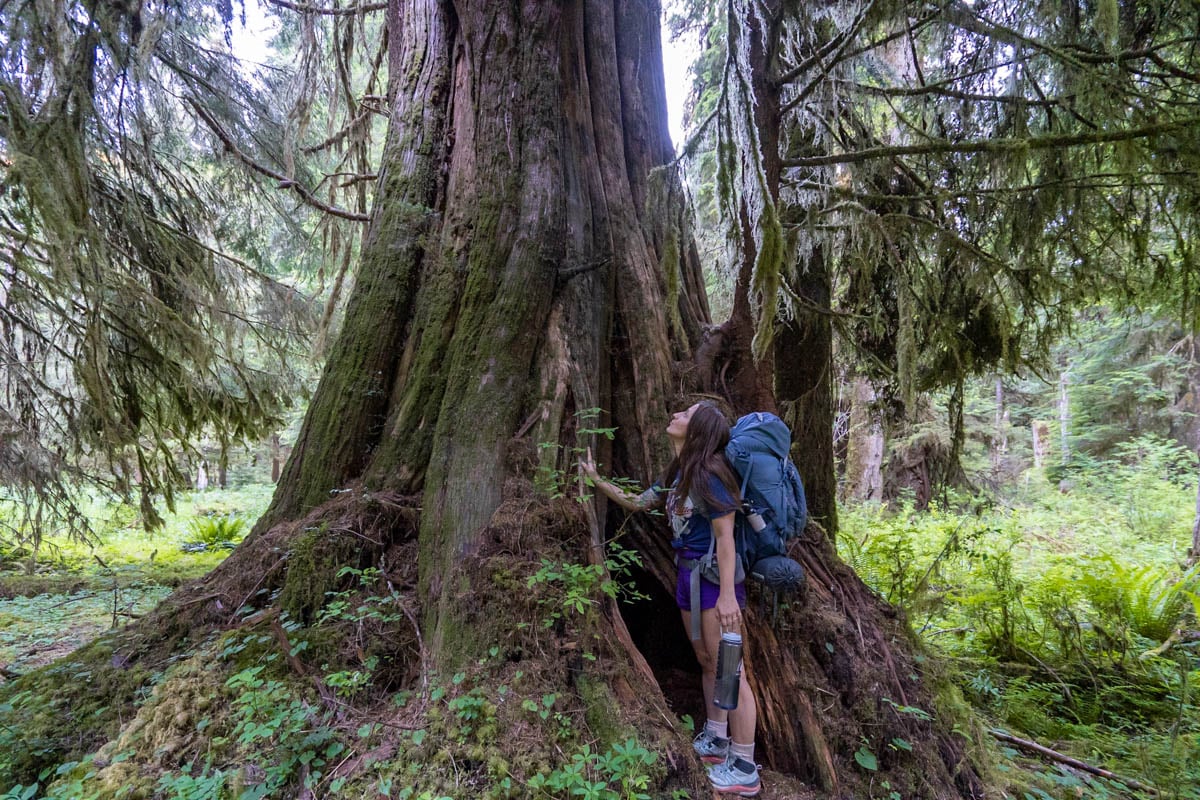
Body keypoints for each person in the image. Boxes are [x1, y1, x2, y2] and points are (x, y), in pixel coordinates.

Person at [581, 402, 761, 797]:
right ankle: (716, 740)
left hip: (715, 583)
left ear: (697, 430)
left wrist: (729, 597)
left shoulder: (711, 475)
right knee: (707, 660)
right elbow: (642, 502)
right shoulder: (680, 473)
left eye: (686, 414)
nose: (676, 414)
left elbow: (726, 539)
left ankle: (745, 767)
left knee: (732, 672)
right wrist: (596, 480)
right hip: (687, 578)